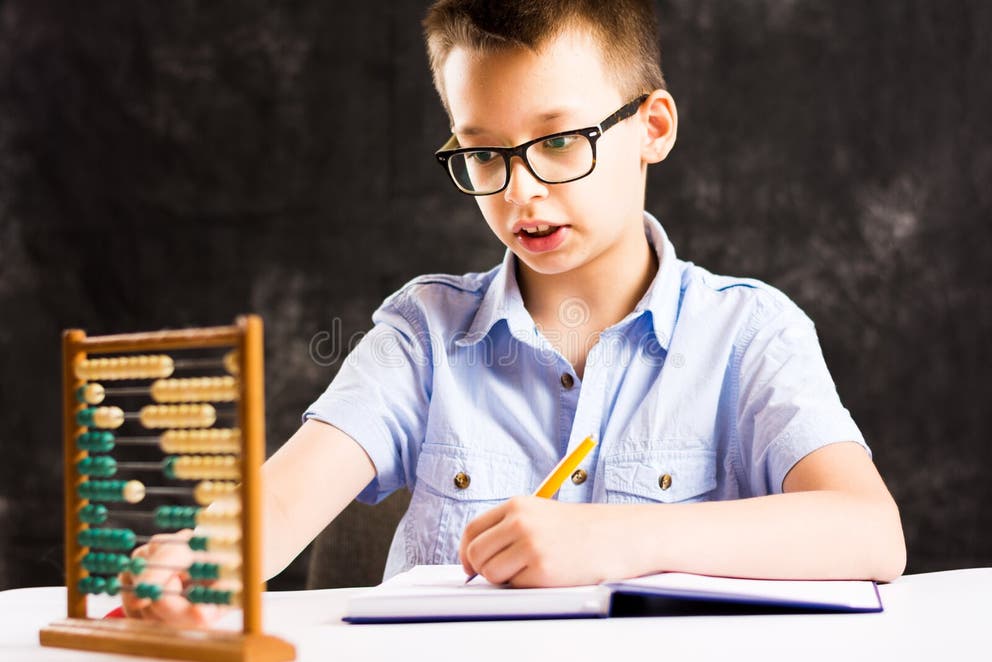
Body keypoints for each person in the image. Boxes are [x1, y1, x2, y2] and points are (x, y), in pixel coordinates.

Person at [122, 0, 906, 625]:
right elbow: (289, 497)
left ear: (651, 129)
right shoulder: (425, 333)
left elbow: (870, 532)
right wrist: (208, 554)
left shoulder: (749, 334)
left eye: (558, 141)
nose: (519, 191)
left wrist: (619, 542)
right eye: (483, 153)